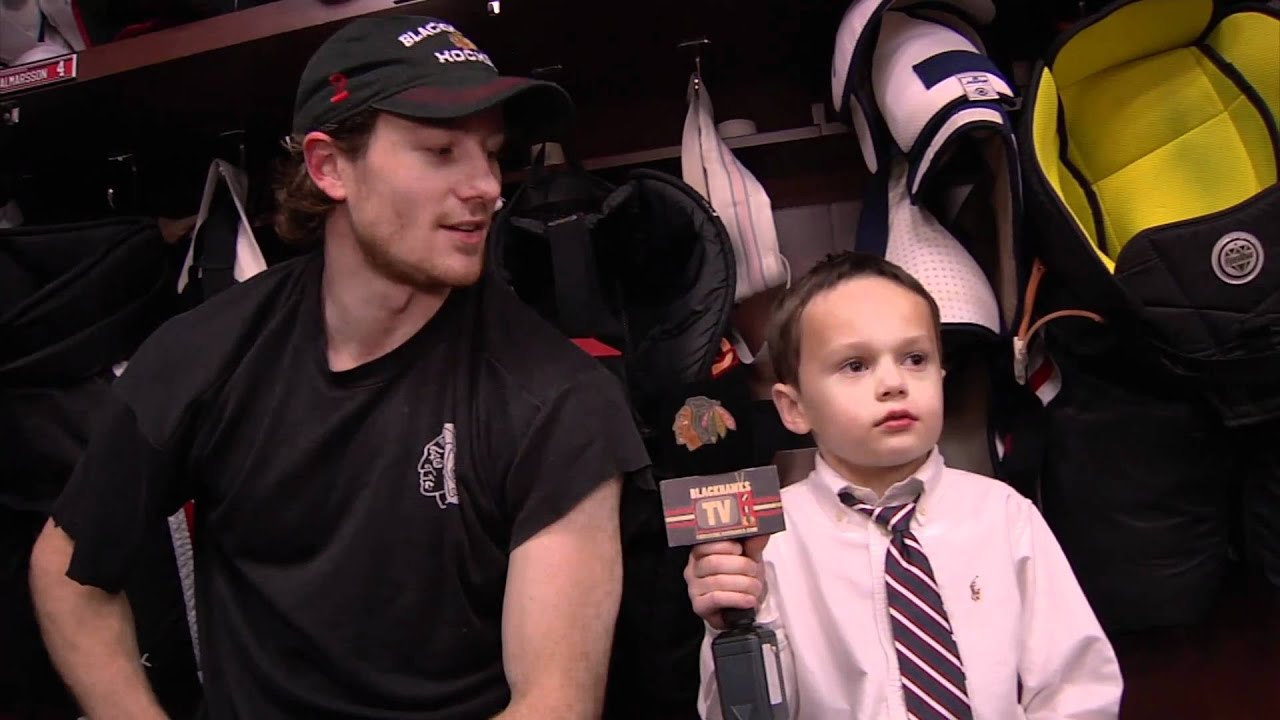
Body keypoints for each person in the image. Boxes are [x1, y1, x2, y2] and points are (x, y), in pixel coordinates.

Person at [28, 15, 650, 720]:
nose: (487, 187)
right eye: (442, 150)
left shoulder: (559, 400)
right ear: (329, 167)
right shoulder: (205, 354)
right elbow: (67, 569)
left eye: (493, 153)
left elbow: (554, 703)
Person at [684, 252, 1123, 719]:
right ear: (794, 408)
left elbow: (1077, 688)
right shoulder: (766, 546)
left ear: (941, 377)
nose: (893, 382)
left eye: (915, 358)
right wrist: (733, 623)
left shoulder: (1006, 517)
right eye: (855, 365)